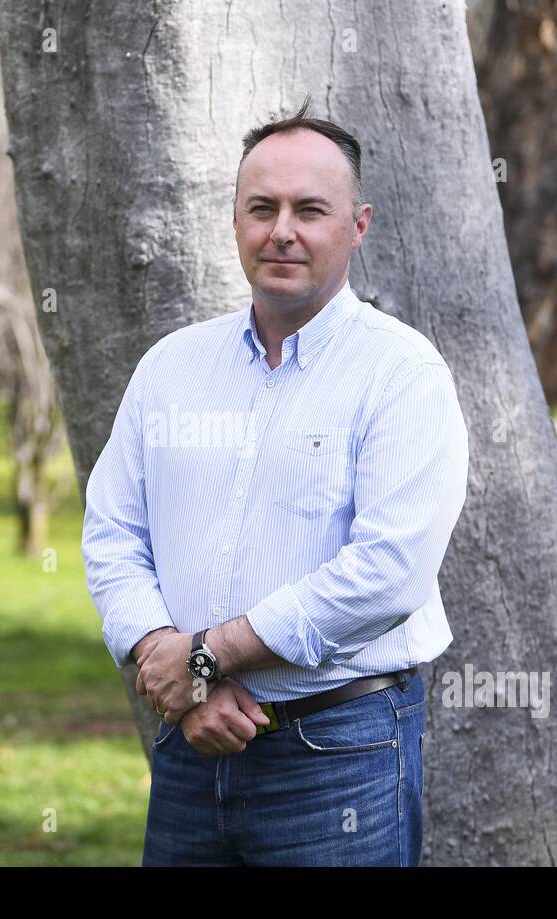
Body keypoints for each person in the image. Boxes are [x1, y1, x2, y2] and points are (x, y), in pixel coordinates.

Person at [81, 98, 470, 866]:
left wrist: (209, 655)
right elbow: (113, 533)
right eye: (261, 208)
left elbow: (388, 572)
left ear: (356, 226)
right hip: (191, 749)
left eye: (309, 209)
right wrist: (171, 662)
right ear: (234, 222)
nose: (281, 230)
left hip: (338, 755)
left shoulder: (401, 374)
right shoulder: (171, 369)